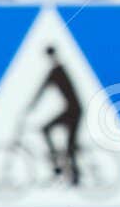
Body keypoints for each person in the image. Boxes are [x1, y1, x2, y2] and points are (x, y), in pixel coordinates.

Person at [27, 45, 83, 185]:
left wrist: (31, 106)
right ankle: (57, 161)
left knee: (69, 146)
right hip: (71, 109)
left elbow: (41, 90)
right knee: (46, 129)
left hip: (74, 111)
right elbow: (43, 89)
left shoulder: (57, 71)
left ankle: (74, 176)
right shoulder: (58, 70)